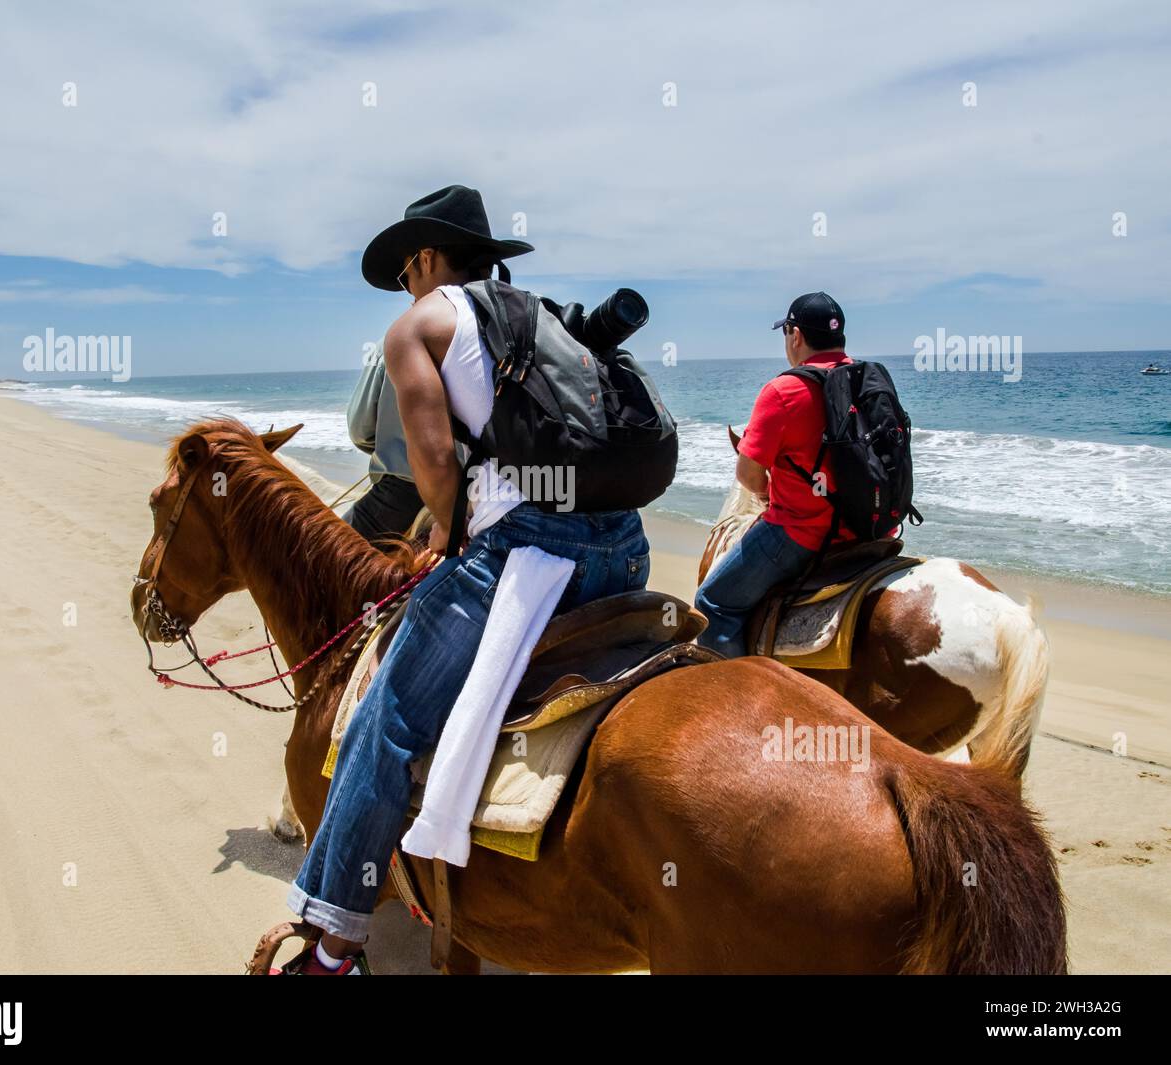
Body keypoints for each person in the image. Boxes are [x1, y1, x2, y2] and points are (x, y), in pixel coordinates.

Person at [282, 185, 653, 974]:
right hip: (625, 548)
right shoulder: (542, 316)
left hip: (528, 559)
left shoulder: (419, 325)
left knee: (383, 725)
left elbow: (436, 466)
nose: (405, 290)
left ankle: (336, 942)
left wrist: (444, 538)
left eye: (406, 273)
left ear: (424, 258)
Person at [694, 292, 856, 657]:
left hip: (803, 534)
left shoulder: (783, 391)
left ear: (795, 335)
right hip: (869, 527)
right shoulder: (866, 379)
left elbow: (749, 475)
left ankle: (735, 702)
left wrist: (768, 496)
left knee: (712, 604)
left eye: (786, 333)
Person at [343, 347, 426, 543]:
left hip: (401, 492)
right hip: (486, 486)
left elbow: (359, 431)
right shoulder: (493, 337)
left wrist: (391, 449)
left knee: (322, 558)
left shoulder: (390, 343)